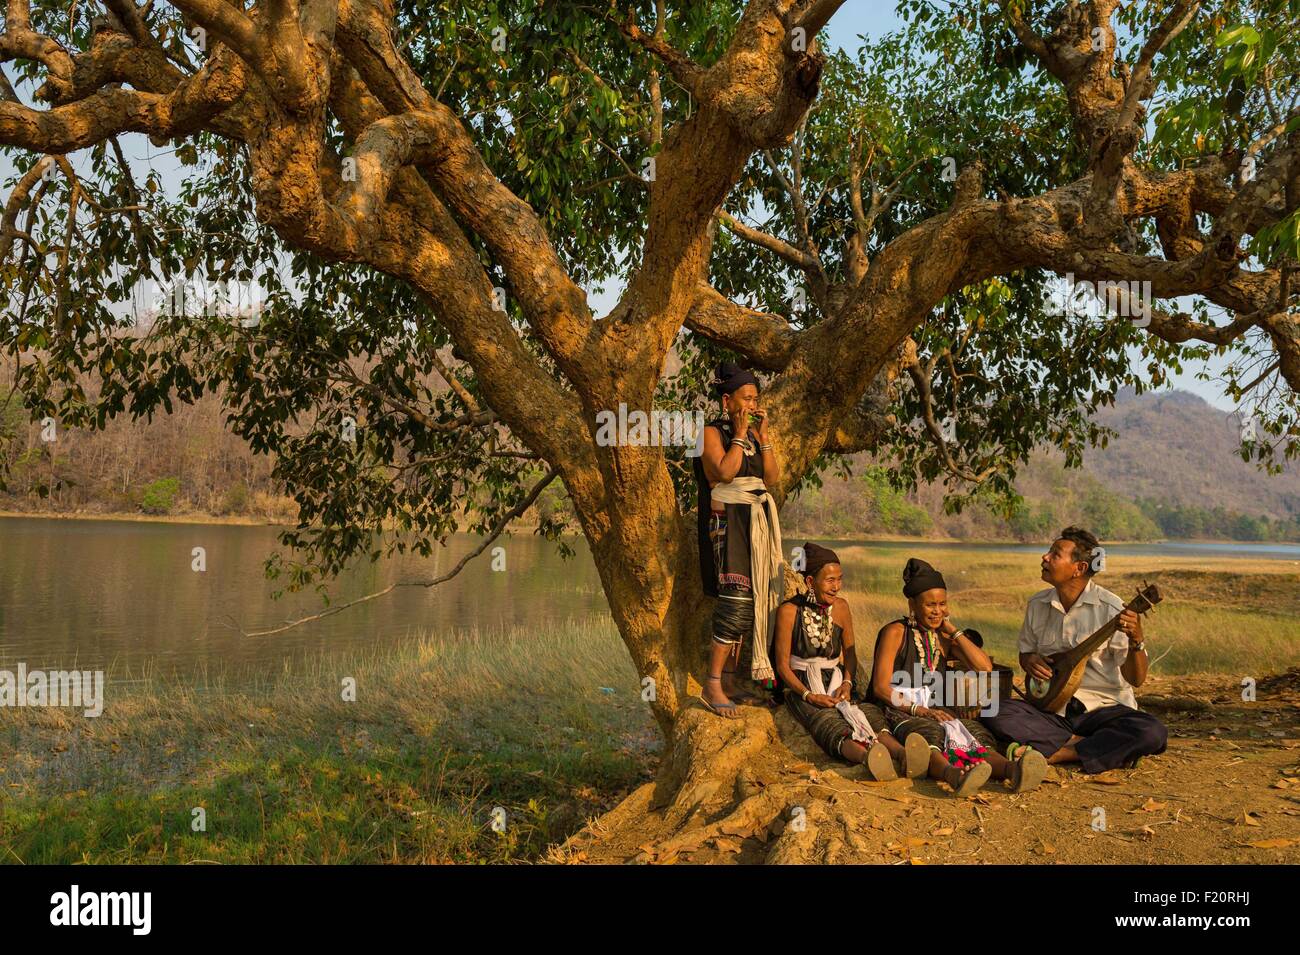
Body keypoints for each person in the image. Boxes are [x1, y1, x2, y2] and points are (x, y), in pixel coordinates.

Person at [980, 527, 1167, 774]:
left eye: (1055, 554)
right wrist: (1030, 661)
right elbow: (1026, 653)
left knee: (1152, 731)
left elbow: (1137, 679)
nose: (1045, 557)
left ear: (1079, 568)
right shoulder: (1037, 604)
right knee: (993, 710)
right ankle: (1096, 746)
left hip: (1103, 710)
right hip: (1053, 711)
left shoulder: (1111, 608)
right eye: (1049, 552)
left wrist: (1137, 640)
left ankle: (1063, 752)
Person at [871, 557, 1048, 795]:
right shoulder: (895, 632)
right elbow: (881, 688)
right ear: (912, 604)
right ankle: (954, 775)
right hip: (898, 708)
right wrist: (920, 710)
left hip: (936, 707)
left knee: (973, 732)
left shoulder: (943, 636)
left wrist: (953, 630)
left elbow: (984, 668)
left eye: (942, 604)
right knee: (929, 734)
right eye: (930, 605)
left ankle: (1013, 771)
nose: (938, 611)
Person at [774, 543, 930, 780]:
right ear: (810, 582)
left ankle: (902, 755)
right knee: (827, 720)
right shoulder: (789, 611)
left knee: (866, 712)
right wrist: (809, 696)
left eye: (840, 579)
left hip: (837, 679)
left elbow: (850, 655)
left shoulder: (841, 607)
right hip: (802, 684)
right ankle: (869, 758)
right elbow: (782, 666)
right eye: (830, 580)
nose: (836, 586)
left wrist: (847, 683)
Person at [693, 362, 785, 717]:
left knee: (756, 598)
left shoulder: (754, 437)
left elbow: (771, 478)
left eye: (755, 399)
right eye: (746, 398)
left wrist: (763, 437)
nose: (752, 404)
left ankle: (730, 680)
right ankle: (712, 682)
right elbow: (724, 471)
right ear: (727, 401)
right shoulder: (710, 433)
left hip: (756, 523)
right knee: (736, 601)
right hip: (728, 524)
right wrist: (739, 433)